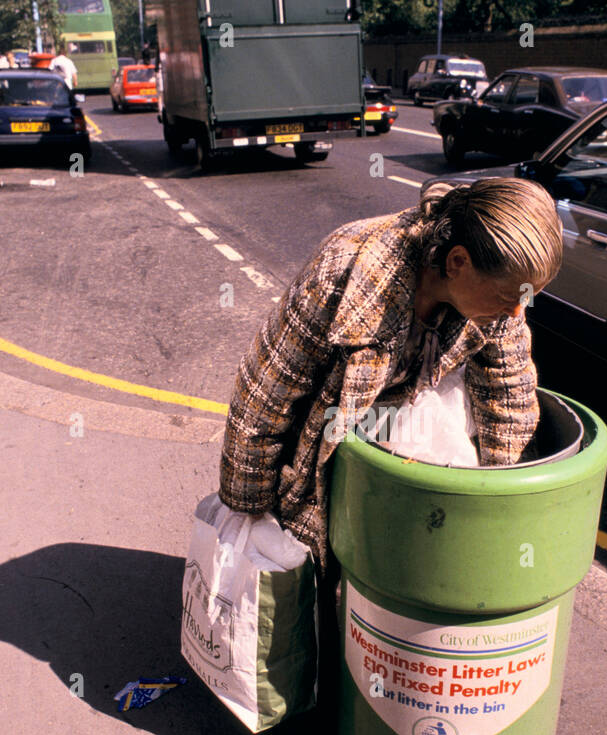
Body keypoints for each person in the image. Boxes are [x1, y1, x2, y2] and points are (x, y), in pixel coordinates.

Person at [217, 178, 562, 706]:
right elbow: (267, 392)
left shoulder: (500, 301)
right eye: (508, 298)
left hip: (412, 454)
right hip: (333, 452)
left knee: (395, 593)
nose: (518, 314)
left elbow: (509, 391)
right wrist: (249, 504)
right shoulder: (345, 269)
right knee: (326, 577)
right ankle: (325, 695)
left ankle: (373, 696)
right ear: (458, 262)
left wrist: (499, 496)